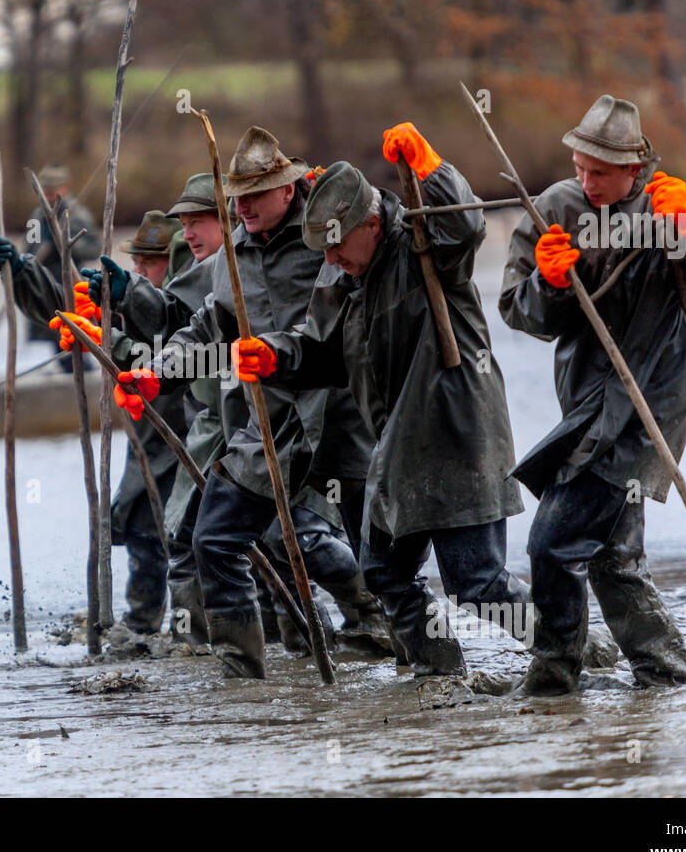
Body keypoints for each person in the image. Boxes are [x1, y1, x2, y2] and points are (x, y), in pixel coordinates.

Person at [233, 131, 611, 677]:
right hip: (394, 451)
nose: (332, 258)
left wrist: (431, 168)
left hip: (457, 435)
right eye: (324, 252)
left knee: (477, 584)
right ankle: (440, 672)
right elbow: (321, 350)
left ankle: (579, 649)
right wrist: (273, 354)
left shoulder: (424, 248)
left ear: (369, 223)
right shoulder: (342, 275)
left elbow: (465, 225)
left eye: (337, 245)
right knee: (382, 573)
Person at [499, 94, 686, 694]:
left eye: (601, 172)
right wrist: (550, 280)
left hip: (649, 407)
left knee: (553, 541)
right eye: (580, 166)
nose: (586, 181)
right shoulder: (555, 208)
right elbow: (518, 309)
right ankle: (664, 675)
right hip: (586, 405)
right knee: (614, 558)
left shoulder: (672, 207)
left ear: (634, 168)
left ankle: (555, 674)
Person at [109, 127, 379, 678]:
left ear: (288, 190)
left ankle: (386, 634)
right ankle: (245, 674)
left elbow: (352, 298)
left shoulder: (326, 235)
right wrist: (155, 374)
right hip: (270, 427)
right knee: (216, 538)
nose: (244, 207)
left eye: (256, 195)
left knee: (370, 551)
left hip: (342, 417)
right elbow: (206, 327)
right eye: (237, 197)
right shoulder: (235, 256)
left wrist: (279, 353)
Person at [0, 210, 192, 638]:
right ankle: (142, 628)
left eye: (149, 262)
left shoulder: (190, 308)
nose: (139, 269)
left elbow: (163, 361)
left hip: (192, 451)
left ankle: (197, 635)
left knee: (192, 543)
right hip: (147, 460)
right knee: (141, 531)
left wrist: (107, 340)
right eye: (137, 261)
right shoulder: (123, 299)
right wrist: (22, 271)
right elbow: (64, 306)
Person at [24, 165, 98, 371]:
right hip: (45, 284)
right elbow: (30, 248)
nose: (47, 195)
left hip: (72, 287)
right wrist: (39, 250)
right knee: (54, 335)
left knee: (76, 335)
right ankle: (66, 372)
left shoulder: (77, 215)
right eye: (44, 191)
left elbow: (94, 248)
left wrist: (66, 246)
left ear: (64, 188)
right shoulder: (37, 217)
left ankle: (83, 371)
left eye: (51, 190)